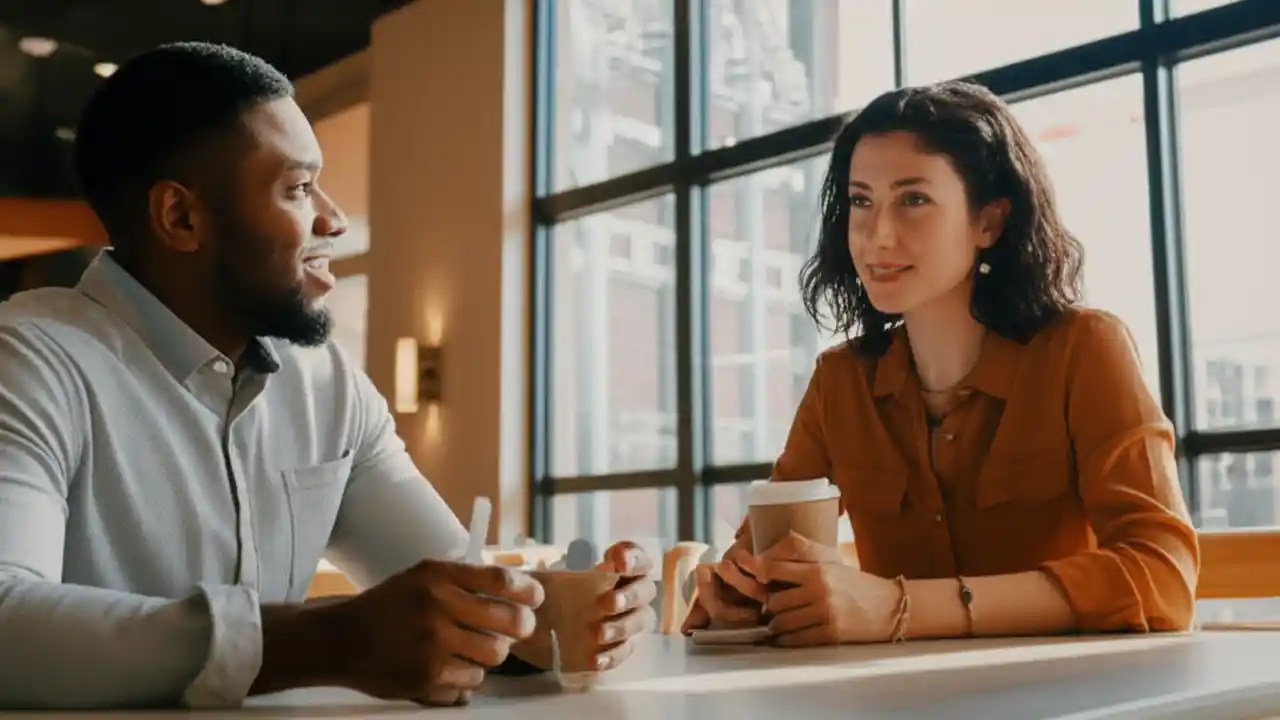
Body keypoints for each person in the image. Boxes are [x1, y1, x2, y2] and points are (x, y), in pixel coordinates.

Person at [0, 42, 655, 710]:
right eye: (298, 188)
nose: (334, 220)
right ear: (181, 217)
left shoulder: (328, 386)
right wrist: (322, 641)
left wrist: (549, 618)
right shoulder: (26, 362)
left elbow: (458, 602)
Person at [684, 81, 1199, 644]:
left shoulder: (1085, 349)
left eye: (913, 200)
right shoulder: (841, 381)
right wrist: (741, 598)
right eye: (861, 201)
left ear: (989, 222)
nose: (878, 235)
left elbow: (1164, 577)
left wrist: (900, 607)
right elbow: (759, 566)